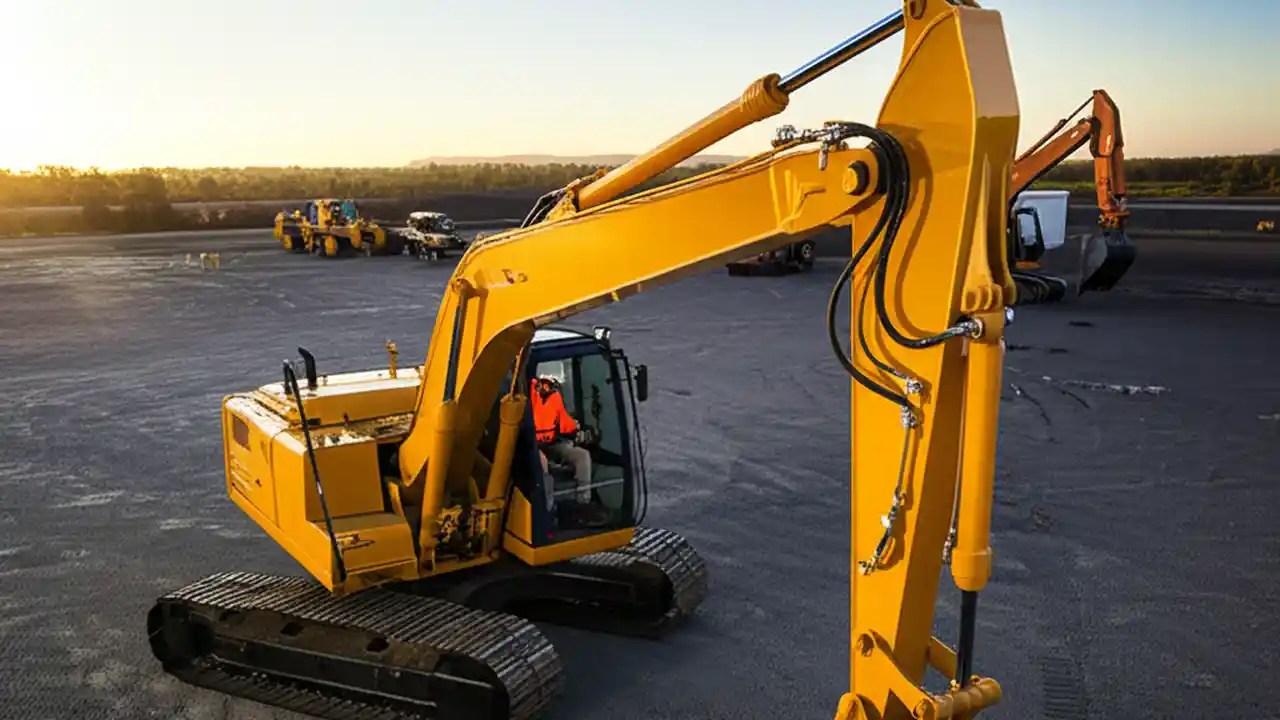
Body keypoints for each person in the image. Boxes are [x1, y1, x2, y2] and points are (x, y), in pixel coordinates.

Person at [530, 375, 596, 509]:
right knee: (541, 461)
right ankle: (547, 507)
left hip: (554, 444)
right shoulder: (529, 400)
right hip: (532, 446)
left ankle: (583, 503)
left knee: (582, 455)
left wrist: (578, 432)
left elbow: (565, 423)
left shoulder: (555, 400)